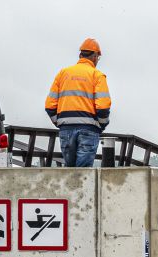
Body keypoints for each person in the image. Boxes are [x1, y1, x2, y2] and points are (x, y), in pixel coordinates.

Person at [45, 38, 112, 167]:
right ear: (94, 56)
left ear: (80, 55)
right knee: (83, 175)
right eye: (98, 57)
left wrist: (59, 122)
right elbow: (103, 107)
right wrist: (101, 125)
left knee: (70, 172)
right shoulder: (97, 76)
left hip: (66, 129)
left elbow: (49, 105)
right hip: (89, 129)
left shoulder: (63, 73)